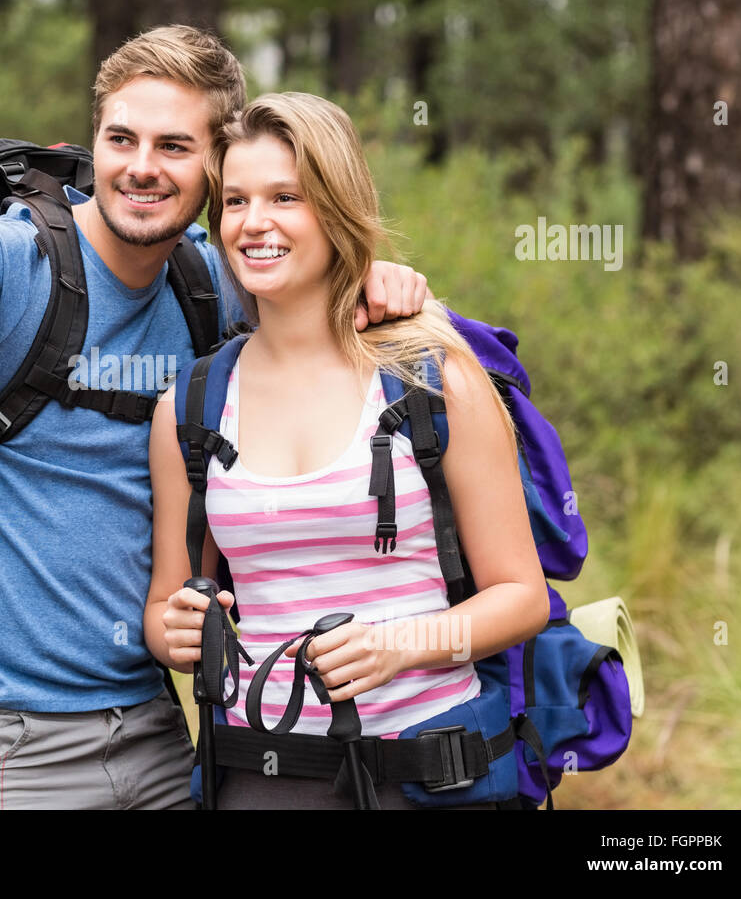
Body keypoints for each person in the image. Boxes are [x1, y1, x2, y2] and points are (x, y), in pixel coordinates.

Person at [0, 27, 431, 809]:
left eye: (175, 145)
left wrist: (371, 275)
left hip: (154, 729)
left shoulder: (210, 280)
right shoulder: (7, 261)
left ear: (216, 164)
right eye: (122, 138)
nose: (142, 166)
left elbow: (304, 271)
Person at [146, 92, 550, 809]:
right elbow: (165, 607)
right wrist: (176, 631)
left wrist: (397, 645)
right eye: (235, 201)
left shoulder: (433, 377)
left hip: (429, 772)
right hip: (258, 775)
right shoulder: (192, 403)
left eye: (285, 196)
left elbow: (522, 599)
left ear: (335, 208)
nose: (254, 222)